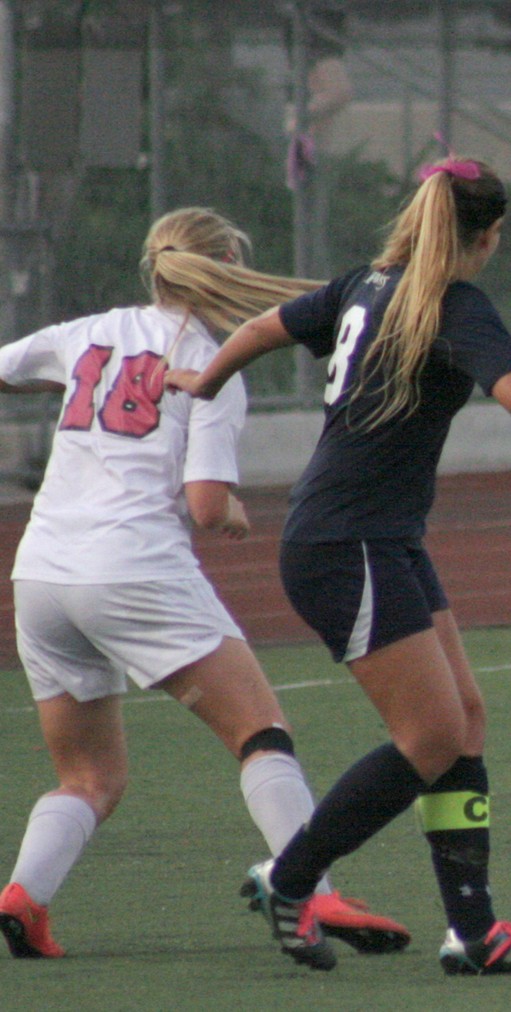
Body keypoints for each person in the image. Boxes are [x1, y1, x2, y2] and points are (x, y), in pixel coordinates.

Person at [167, 155, 511, 974]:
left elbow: (260, 330)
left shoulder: (364, 285)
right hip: (348, 543)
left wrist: (204, 381)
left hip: (376, 536)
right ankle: (290, 879)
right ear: (490, 234)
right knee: (431, 735)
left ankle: (474, 934)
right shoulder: (450, 302)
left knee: (462, 719)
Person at [0, 208, 408, 960]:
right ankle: (312, 893)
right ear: (223, 268)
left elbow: (7, 368)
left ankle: (24, 897)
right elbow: (207, 506)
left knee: (88, 775)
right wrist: (238, 515)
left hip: (41, 575)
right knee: (261, 733)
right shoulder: (209, 365)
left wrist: (70, 389)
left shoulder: (88, 332)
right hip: (134, 569)